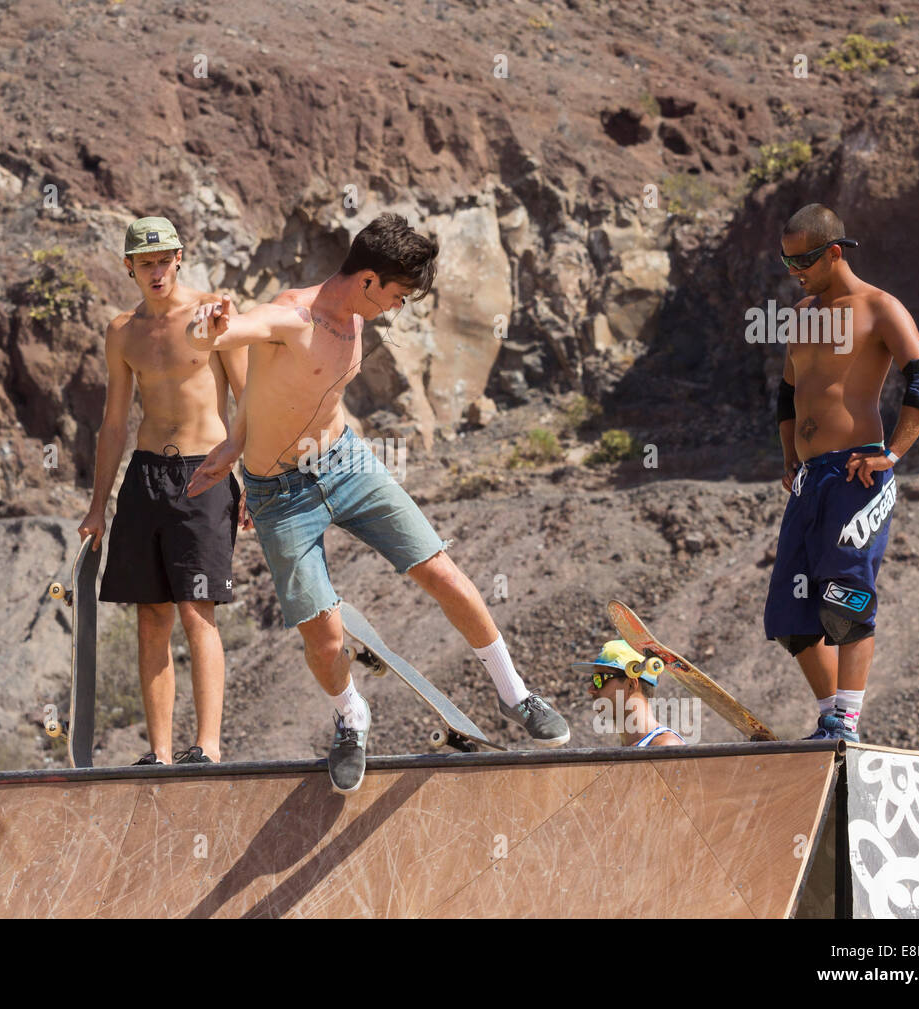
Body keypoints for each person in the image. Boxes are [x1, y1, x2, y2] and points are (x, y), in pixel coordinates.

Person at [184, 213, 570, 794]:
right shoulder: (292, 315)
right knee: (326, 637)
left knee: (441, 570)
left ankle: (515, 693)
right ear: (367, 280)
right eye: (396, 294)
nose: (396, 307)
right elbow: (225, 333)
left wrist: (236, 443)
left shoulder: (357, 318)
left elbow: (280, 394)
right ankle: (351, 716)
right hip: (281, 496)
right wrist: (207, 324)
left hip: (346, 462)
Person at [765, 204, 919, 743]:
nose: (795, 271)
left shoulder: (879, 306)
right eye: (786, 261)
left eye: (804, 260)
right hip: (809, 478)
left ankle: (847, 719)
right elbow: (787, 394)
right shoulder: (801, 314)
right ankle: (829, 719)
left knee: (845, 598)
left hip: (857, 474)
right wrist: (788, 457)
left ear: (835, 252)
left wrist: (891, 454)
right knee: (792, 616)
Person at [79, 217, 248, 765]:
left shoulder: (211, 316)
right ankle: (159, 751)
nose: (156, 271)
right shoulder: (122, 331)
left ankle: (209, 745)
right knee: (150, 614)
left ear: (180, 257)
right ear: (129, 267)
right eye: (144, 262)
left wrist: (251, 480)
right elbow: (112, 424)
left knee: (197, 607)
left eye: (163, 260)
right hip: (146, 475)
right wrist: (97, 506)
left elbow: (250, 401)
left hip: (206, 472)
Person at [574, 640, 685, 747]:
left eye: (599, 679)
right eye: (594, 679)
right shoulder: (635, 748)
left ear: (631, 684)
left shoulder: (664, 747)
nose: (591, 689)